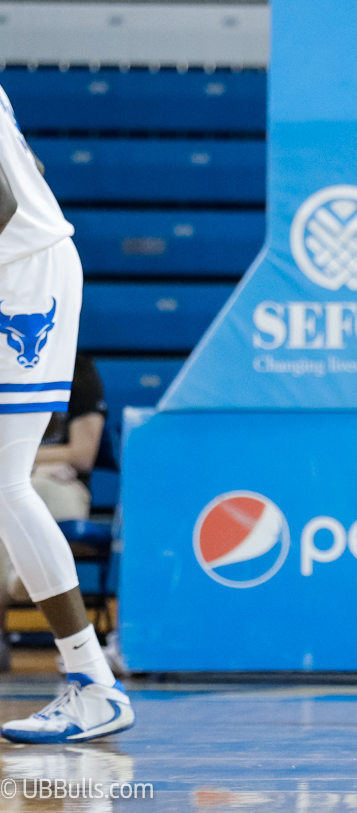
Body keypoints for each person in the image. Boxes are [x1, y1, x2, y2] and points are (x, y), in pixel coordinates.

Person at [0, 88, 132, 741]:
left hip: (21, 278)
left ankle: (92, 682)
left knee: (5, 484)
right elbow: (31, 176)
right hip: (25, 266)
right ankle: (89, 679)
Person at [0, 353, 105, 673]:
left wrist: (19, 459)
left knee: (15, 495)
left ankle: (22, 575)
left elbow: (82, 455)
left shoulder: (79, 369)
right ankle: (23, 574)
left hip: (61, 486)